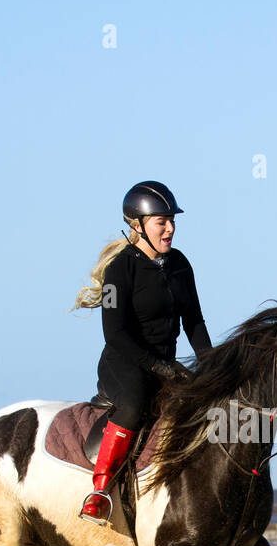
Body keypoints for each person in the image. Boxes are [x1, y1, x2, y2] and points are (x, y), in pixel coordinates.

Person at [69, 181, 213, 524]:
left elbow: (194, 321)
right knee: (134, 404)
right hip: (125, 364)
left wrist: (213, 366)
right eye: (161, 221)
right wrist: (159, 367)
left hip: (166, 364)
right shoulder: (118, 271)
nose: (170, 228)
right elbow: (114, 334)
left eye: (172, 221)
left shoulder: (180, 265)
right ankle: (100, 491)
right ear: (137, 225)